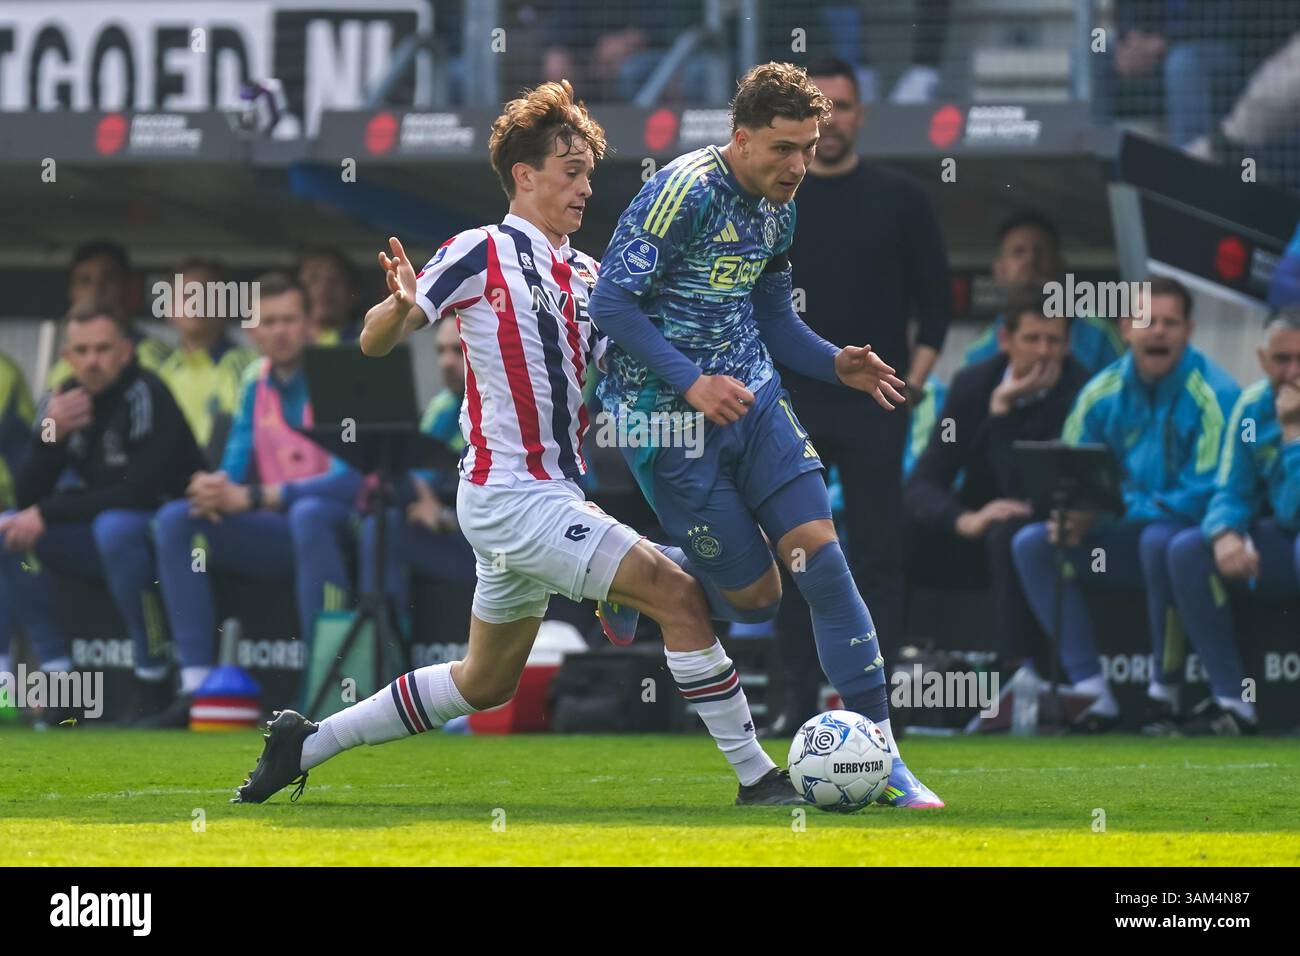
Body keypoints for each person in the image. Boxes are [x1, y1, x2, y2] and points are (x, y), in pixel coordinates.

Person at [232, 80, 798, 808]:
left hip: (545, 498)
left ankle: (305, 742)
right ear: (525, 176)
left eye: (590, 173)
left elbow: (631, 373)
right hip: (508, 496)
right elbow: (379, 340)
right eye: (572, 171)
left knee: (483, 682)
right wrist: (397, 306)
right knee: (678, 596)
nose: (586, 186)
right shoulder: (479, 250)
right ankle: (759, 778)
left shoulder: (592, 277)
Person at [589, 62, 942, 807]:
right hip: (668, 422)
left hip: (755, 402)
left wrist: (832, 362)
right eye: (784, 148)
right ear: (741, 138)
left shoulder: (782, 208)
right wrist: (690, 381)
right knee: (755, 600)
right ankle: (642, 575)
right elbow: (612, 304)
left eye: (810, 147)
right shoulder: (680, 192)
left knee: (823, 562)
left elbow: (775, 319)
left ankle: (885, 757)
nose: (799, 165)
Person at [768, 56, 952, 726]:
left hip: (877, 406)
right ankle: (794, 699)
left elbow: (937, 309)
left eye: (843, 107)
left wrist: (911, 387)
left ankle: (876, 709)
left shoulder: (900, 198)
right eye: (823, 110)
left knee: (877, 556)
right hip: (793, 405)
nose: (833, 121)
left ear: (860, 114)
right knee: (797, 554)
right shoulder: (777, 201)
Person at [1011, 277, 1240, 731]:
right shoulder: (1101, 393)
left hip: (1185, 548)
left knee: (1163, 540)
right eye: (1147, 321)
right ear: (1125, 328)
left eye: (1170, 322)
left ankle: (1165, 692)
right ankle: (1093, 694)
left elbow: (1208, 493)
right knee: (1032, 542)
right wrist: (1070, 515)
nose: (1158, 332)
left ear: (1189, 330)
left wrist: (1111, 510)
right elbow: (1069, 471)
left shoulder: (1217, 393)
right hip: (1116, 545)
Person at [149, 273, 363, 727]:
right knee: (175, 518)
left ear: (310, 325)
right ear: (252, 331)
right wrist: (214, 489)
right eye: (269, 321)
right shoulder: (254, 381)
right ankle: (196, 686)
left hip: (336, 529)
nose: (281, 331)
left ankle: (322, 685)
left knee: (309, 514)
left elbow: (350, 481)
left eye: (290, 319)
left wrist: (261, 495)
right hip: (278, 531)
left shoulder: (338, 373)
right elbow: (235, 462)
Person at [0, 301, 204, 720]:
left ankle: (153, 676)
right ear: (67, 356)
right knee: (8, 529)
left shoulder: (146, 392)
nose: (92, 361)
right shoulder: (59, 402)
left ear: (126, 350)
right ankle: (58, 680)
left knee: (115, 528)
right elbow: (28, 497)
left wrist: (50, 513)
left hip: (165, 528)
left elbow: (141, 491)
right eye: (82, 350)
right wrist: (50, 438)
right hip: (96, 533)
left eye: (103, 349)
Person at [904, 285, 1090, 670]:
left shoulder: (1080, 392)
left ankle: (1012, 674)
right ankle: (888, 665)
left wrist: (1002, 414)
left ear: (1068, 345)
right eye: (1032, 338)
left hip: (1047, 531)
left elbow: (1027, 493)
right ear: (1006, 339)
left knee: (1011, 533)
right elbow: (924, 482)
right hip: (977, 527)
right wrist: (963, 519)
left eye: (1053, 341)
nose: (1042, 351)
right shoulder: (973, 385)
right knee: (897, 528)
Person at [1163, 308, 1300, 735]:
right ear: (1262, 359)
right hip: (1280, 544)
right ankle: (1233, 704)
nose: (1293, 372)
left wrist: (1294, 434)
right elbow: (1231, 489)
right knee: (1188, 550)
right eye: (1282, 360)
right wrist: (1224, 533)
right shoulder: (1252, 407)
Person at [357, 314, 475, 624]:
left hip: (507, 553)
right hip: (453, 533)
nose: (447, 362)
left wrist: (446, 519)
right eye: (440, 351)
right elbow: (417, 477)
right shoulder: (442, 406)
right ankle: (384, 643)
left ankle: (381, 645)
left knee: (385, 529)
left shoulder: (505, 408)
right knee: (383, 520)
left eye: (458, 350)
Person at [963, 210, 1124, 376]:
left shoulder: (1099, 335)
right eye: (1018, 252)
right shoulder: (979, 353)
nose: (1030, 260)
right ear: (999, 270)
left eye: (1040, 251)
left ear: (1060, 265)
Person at [154, 258, 257, 463]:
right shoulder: (159, 373)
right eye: (187, 295)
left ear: (227, 305)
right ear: (168, 309)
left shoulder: (250, 366)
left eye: (208, 294)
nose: (196, 303)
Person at [47, 241, 171, 390]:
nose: (96, 290)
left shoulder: (161, 360)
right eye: (85, 281)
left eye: (109, 279)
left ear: (128, 288)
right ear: (72, 292)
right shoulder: (62, 368)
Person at [297, 247, 362, 345]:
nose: (324, 288)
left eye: (334, 280)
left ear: (354, 291)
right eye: (313, 279)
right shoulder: (282, 342)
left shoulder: (370, 340)